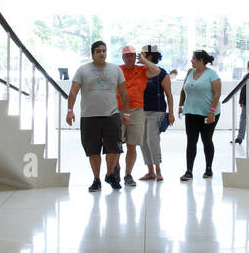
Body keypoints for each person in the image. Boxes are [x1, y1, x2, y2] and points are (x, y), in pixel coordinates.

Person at [66, 40, 130, 191]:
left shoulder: (115, 70)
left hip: (111, 115)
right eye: (99, 51)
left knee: (114, 148)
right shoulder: (83, 70)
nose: (102, 53)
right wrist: (70, 110)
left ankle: (109, 174)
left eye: (104, 51)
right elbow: (74, 91)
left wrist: (126, 113)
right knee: (93, 150)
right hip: (89, 117)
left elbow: (123, 93)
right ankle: (96, 179)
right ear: (93, 54)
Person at [116, 45, 161, 187]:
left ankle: (128, 175)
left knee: (132, 145)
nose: (130, 58)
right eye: (127, 55)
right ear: (123, 57)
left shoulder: (142, 70)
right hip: (118, 109)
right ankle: (115, 171)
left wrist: (143, 60)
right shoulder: (118, 70)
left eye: (132, 55)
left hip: (136, 111)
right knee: (116, 145)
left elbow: (157, 71)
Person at [178, 50, 222, 181]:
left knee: (206, 140)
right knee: (191, 141)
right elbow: (183, 89)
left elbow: (217, 94)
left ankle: (208, 169)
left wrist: (212, 112)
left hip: (208, 114)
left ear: (201, 60)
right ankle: (189, 171)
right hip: (191, 112)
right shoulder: (190, 72)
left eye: (193, 58)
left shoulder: (212, 74)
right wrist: (180, 105)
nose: (191, 61)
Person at [138, 49, 175, 181]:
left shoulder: (161, 73)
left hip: (156, 112)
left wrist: (171, 113)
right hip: (141, 112)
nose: (139, 55)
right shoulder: (140, 72)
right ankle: (150, 171)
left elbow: (169, 95)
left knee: (152, 140)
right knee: (142, 142)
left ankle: (158, 170)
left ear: (149, 56)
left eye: (142, 53)